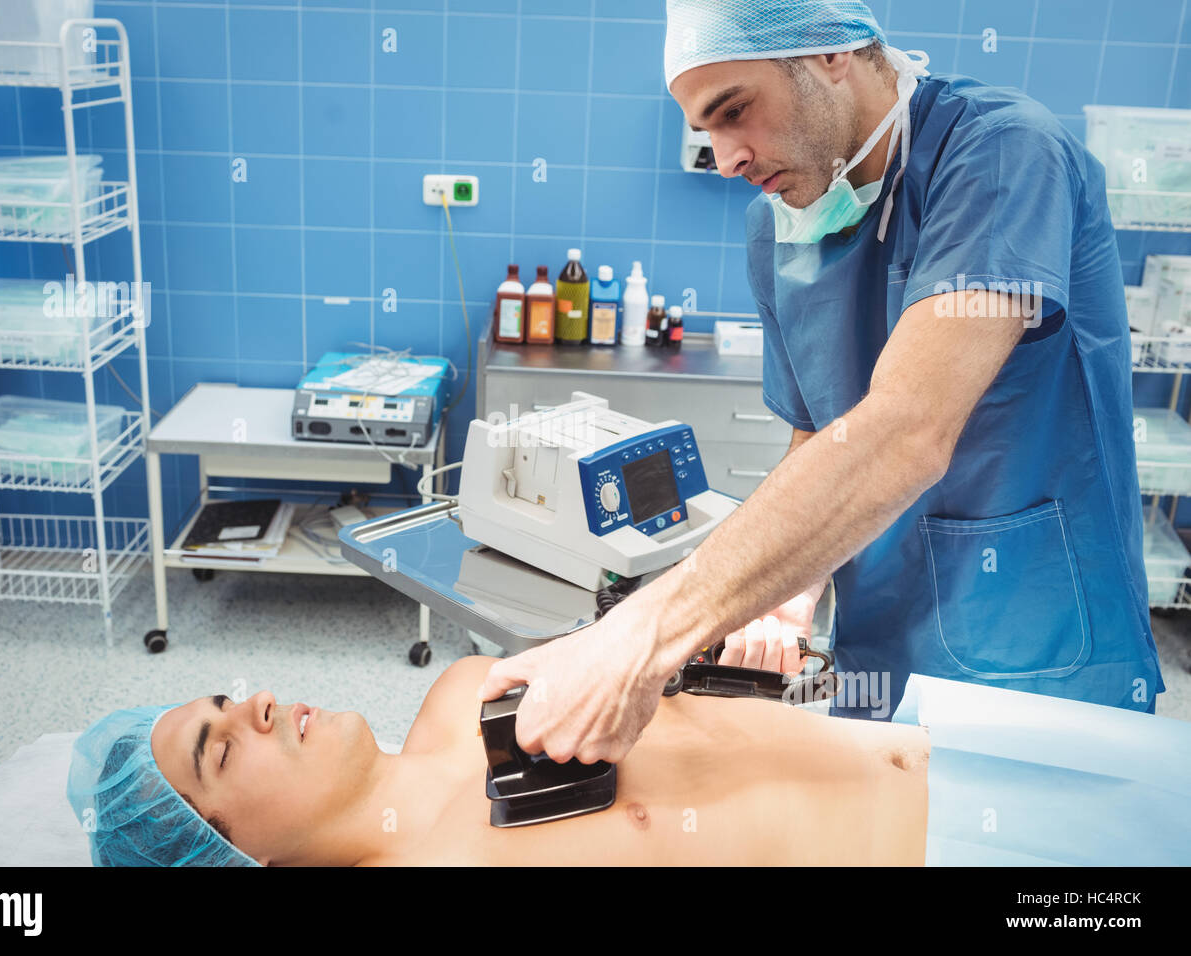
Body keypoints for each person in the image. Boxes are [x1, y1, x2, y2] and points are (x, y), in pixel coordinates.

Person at [476, 0, 1163, 766]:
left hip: (1036, 640)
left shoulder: (1001, 154)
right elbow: (819, 433)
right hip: (881, 634)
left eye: (735, 110)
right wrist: (787, 590)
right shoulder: (782, 225)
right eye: (708, 130)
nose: (727, 158)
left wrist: (642, 635)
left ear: (834, 51)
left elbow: (906, 430)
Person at [67, 657, 931, 866]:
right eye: (220, 750)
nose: (256, 707)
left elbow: (664, 668)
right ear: (232, 855)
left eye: (229, 701)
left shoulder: (465, 692)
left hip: (946, 741)